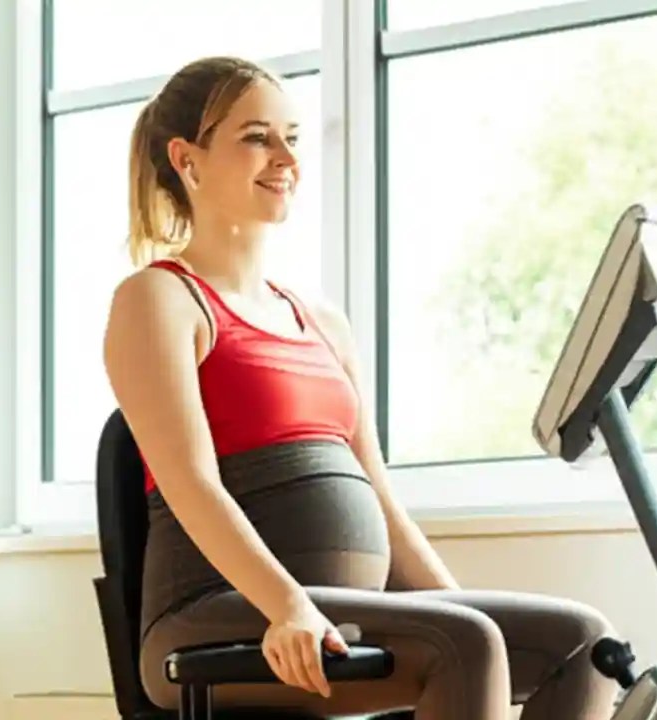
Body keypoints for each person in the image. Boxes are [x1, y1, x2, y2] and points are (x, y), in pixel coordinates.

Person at [102, 56, 621, 719]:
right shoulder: (159, 299)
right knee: (464, 644)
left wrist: (467, 607)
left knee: (582, 642)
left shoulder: (321, 321)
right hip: (215, 615)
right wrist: (288, 604)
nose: (285, 156)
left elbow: (379, 496)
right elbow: (189, 483)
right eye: (257, 136)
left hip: (346, 617)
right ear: (188, 159)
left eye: (293, 136)